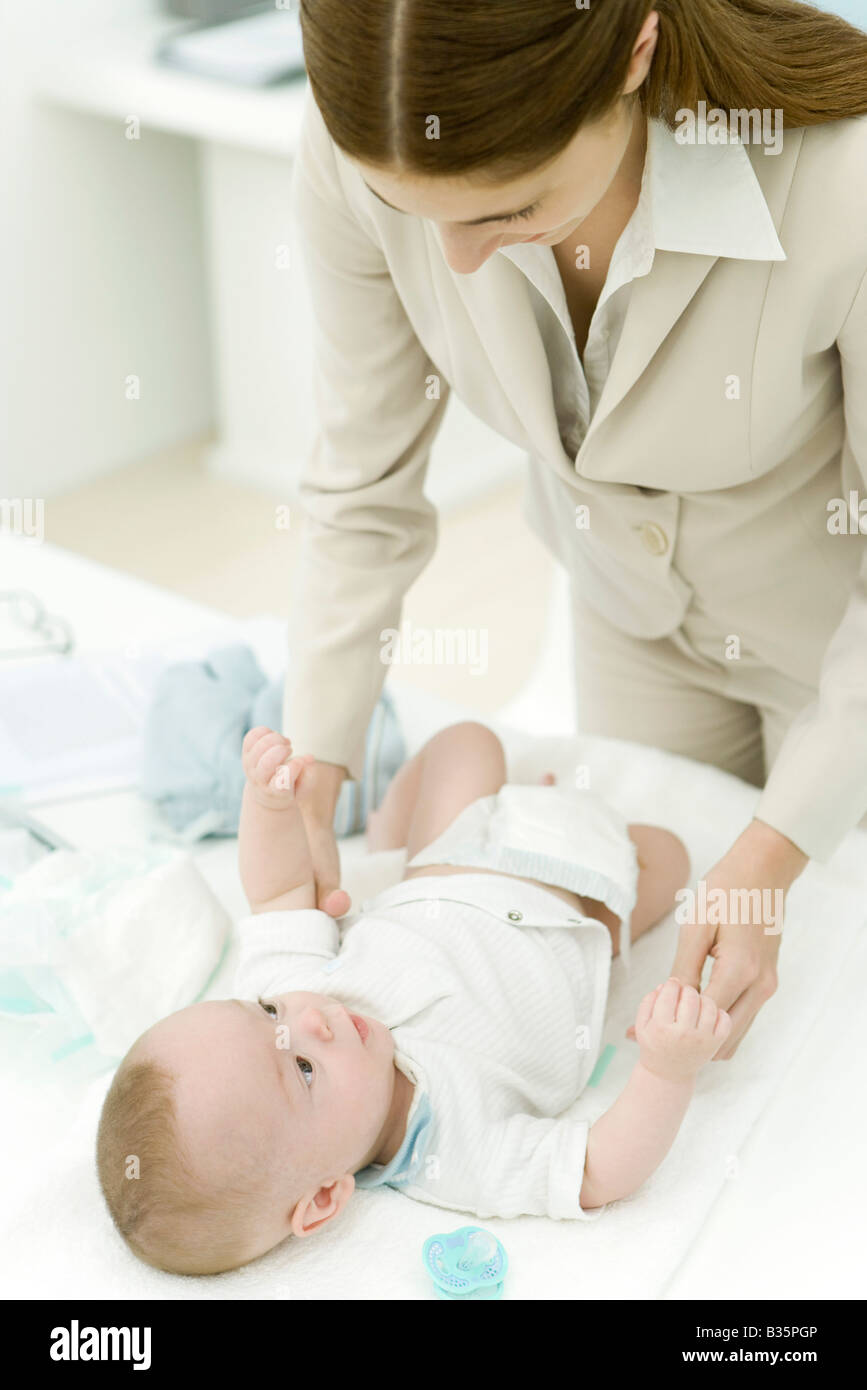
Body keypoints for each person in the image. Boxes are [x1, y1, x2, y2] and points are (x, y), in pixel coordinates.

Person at [283, 1, 867, 1059]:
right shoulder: (357, 143)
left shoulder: (842, 179)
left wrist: (777, 848)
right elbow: (361, 487)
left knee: (830, 1013)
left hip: (839, 655)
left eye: (512, 208)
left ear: (635, 51)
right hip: (629, 618)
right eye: (407, 212)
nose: (456, 264)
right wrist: (316, 763)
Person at [97, 720, 726, 1275]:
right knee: (668, 856)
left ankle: (387, 828)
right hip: (578, 913)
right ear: (323, 1199)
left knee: (468, 742)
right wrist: (666, 1071)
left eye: (267, 1013)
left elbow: (279, 890)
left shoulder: (294, 989)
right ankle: (563, 810)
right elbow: (596, 1170)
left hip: (450, 857)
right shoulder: (456, 1153)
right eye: (305, 1071)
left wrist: (268, 804)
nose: (311, 1018)